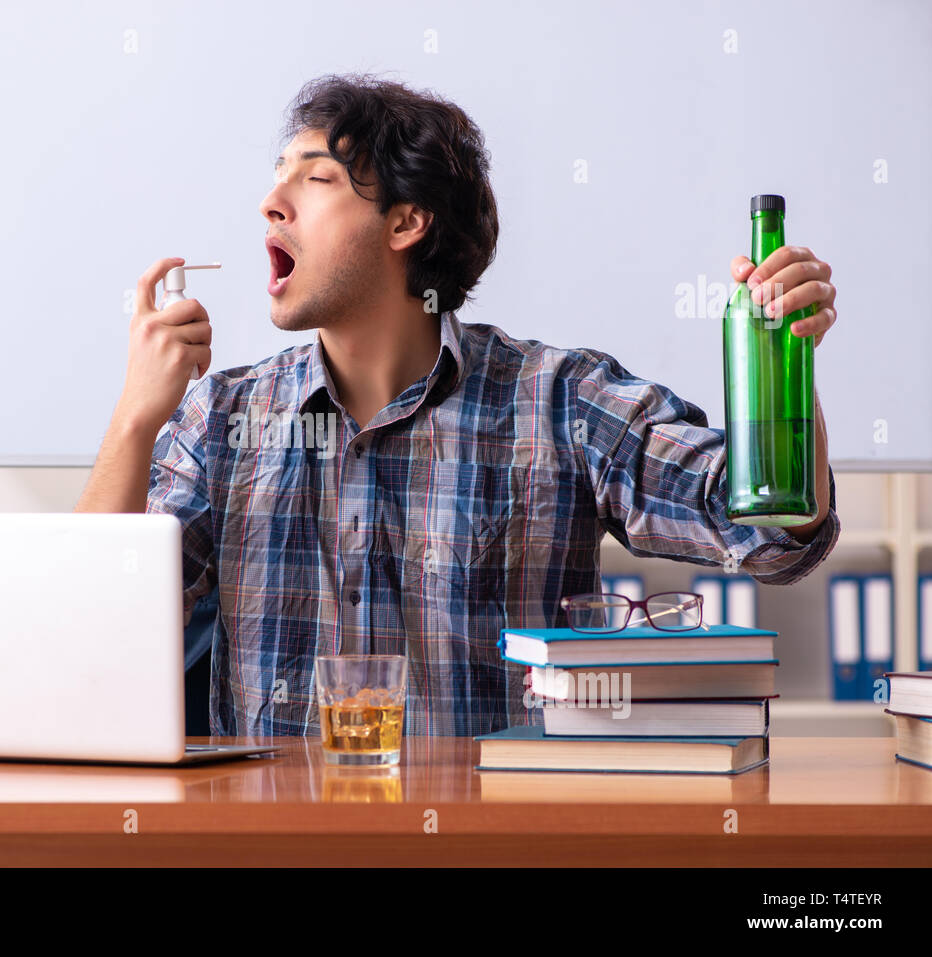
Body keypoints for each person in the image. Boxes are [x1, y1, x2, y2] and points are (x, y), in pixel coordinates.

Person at [76, 73, 841, 737]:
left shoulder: (558, 402)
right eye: (276, 177)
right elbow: (96, 641)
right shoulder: (223, 420)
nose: (271, 203)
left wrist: (788, 362)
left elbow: (773, 532)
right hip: (282, 843)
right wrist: (136, 415)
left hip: (495, 840)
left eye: (313, 179)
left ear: (406, 222)